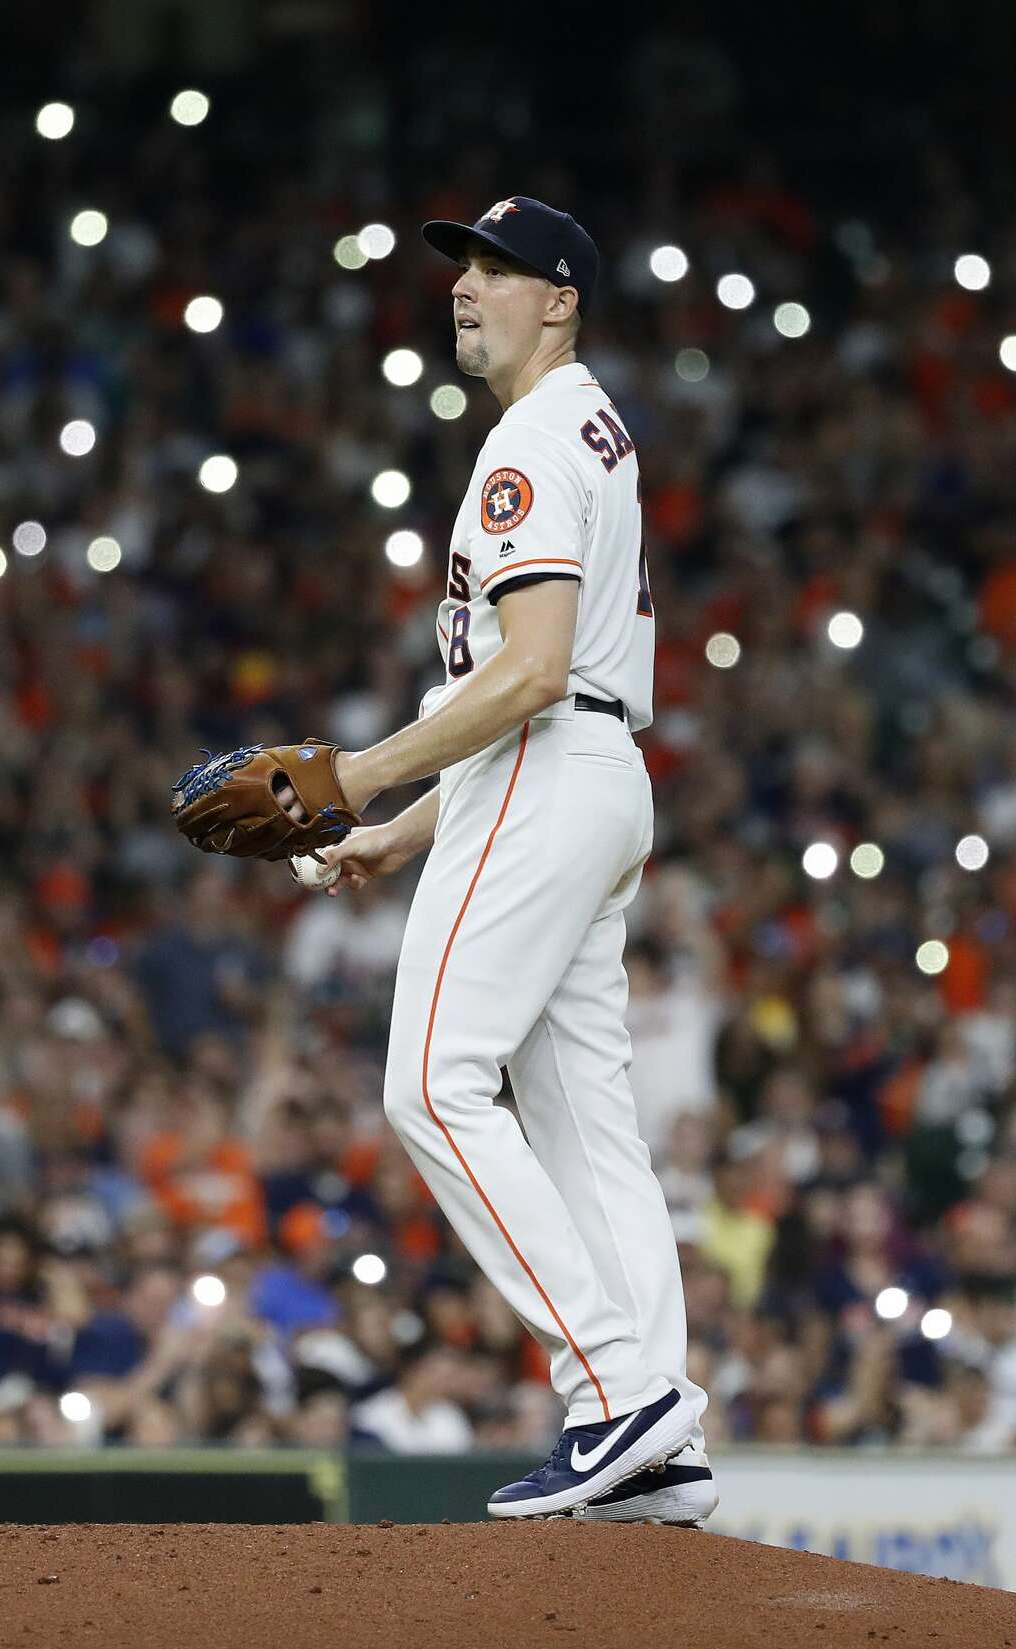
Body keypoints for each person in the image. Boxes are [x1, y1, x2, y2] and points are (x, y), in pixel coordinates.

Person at [288, 196, 716, 1524]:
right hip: (594, 777)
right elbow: (561, 691)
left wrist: (361, 775)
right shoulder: (595, 427)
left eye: (498, 268)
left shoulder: (529, 439)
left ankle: (613, 1395)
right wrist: (402, 831)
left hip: (547, 767)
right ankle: (662, 1437)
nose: (466, 286)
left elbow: (530, 675)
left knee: (431, 1084)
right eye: (462, 267)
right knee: (588, 1128)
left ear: (563, 299)